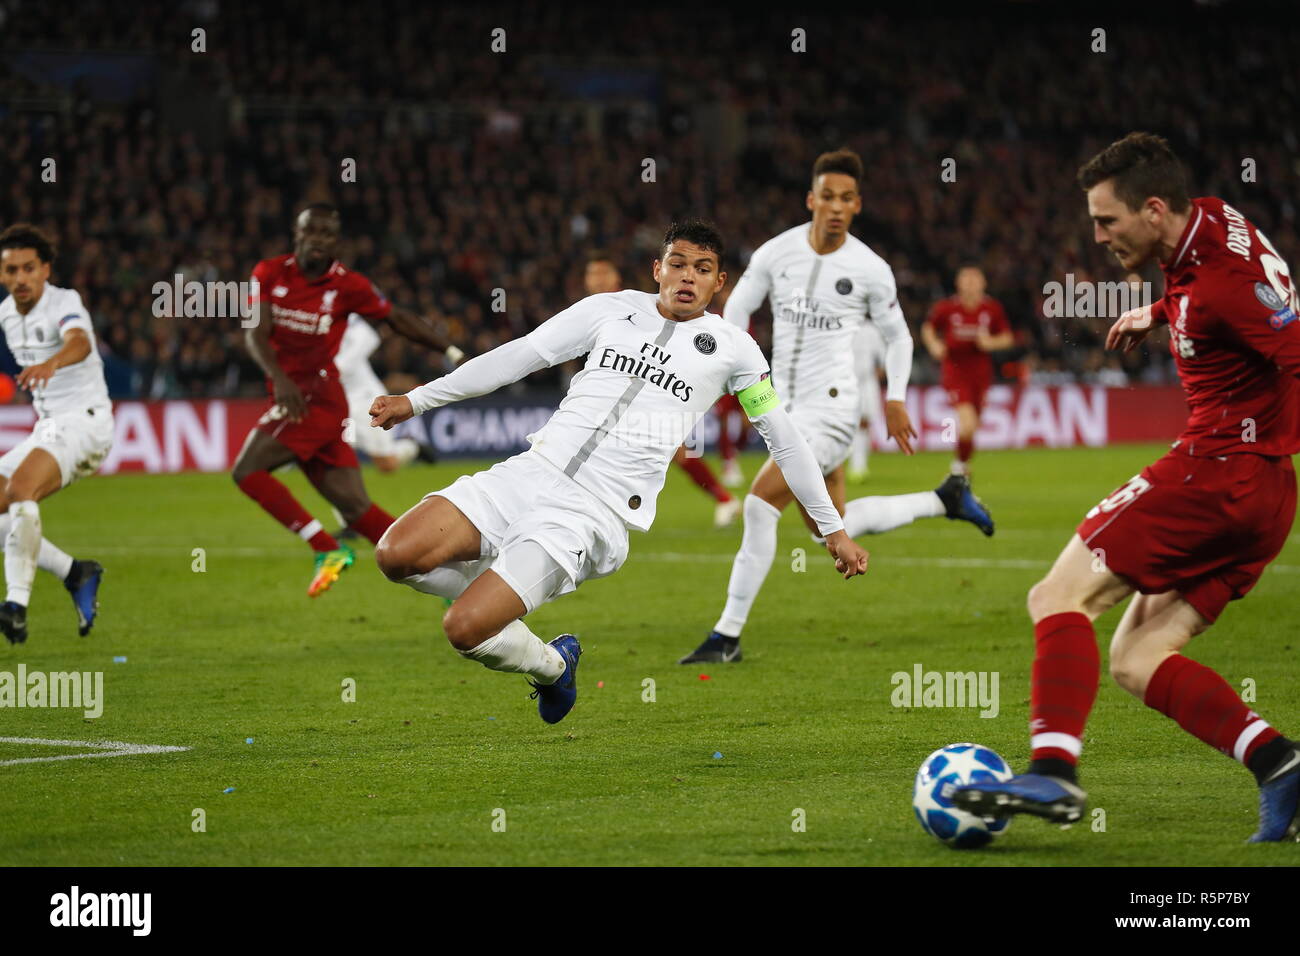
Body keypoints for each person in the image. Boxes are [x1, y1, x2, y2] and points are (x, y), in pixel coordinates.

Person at [368, 220, 869, 724]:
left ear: (719, 284)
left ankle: (552, 665)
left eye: (703, 269)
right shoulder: (608, 309)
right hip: (529, 472)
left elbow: (784, 440)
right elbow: (518, 357)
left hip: (591, 513)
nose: (687, 277)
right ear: (658, 269)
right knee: (395, 555)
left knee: (464, 628)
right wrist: (417, 399)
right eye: (677, 264)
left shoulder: (735, 349)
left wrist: (833, 529)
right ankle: (493, 581)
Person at [954, 132, 1300, 842]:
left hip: (1216, 473)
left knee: (1056, 596)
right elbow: (1216, 293)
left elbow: (1273, 333)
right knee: (1138, 660)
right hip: (1265, 496)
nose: (1097, 235)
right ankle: (1282, 766)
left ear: (1150, 209)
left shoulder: (1221, 285)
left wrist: (1186, 312)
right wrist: (1162, 311)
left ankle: (1052, 771)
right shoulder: (1208, 223)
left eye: (1106, 220)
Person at [679, 149, 993, 665]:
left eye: (846, 198)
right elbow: (737, 305)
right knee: (829, 522)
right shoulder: (776, 254)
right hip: (785, 405)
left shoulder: (870, 269)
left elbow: (899, 338)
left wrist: (894, 399)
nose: (836, 206)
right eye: (827, 196)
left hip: (833, 410)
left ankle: (726, 636)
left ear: (857, 205)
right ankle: (945, 498)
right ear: (811, 199)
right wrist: (731, 357)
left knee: (759, 505)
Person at [233, 203, 454, 597]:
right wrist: (279, 378)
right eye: (310, 232)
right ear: (296, 234)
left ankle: (326, 548)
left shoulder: (348, 285)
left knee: (247, 472)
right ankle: (449, 580)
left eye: (327, 234)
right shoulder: (268, 273)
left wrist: (450, 350)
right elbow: (255, 332)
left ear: (337, 241)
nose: (318, 240)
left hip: (314, 400)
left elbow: (396, 318)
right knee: (358, 511)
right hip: (297, 395)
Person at [0, 223, 108, 643]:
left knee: (21, 489)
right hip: (49, 428)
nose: (20, 278)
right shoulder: (7, 314)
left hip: (86, 422)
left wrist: (53, 363)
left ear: (45, 269)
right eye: (11, 270)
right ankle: (75, 572)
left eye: (29, 268)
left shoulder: (65, 302)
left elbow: (79, 341)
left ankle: (16, 606)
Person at [584, 251, 740, 528]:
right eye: (592, 275)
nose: (597, 280)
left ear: (615, 278)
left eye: (602, 273)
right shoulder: (592, 311)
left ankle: (724, 498)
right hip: (616, 396)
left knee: (677, 452)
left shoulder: (634, 306)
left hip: (651, 390)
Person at [920, 265, 1013, 476]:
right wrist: (934, 345)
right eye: (966, 280)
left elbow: (1007, 338)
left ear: (983, 284)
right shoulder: (947, 308)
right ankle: (959, 468)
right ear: (958, 284)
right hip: (955, 372)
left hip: (981, 374)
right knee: (968, 423)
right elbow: (928, 328)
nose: (971, 285)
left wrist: (991, 343)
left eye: (975, 280)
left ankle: (962, 464)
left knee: (973, 426)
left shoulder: (992, 309)